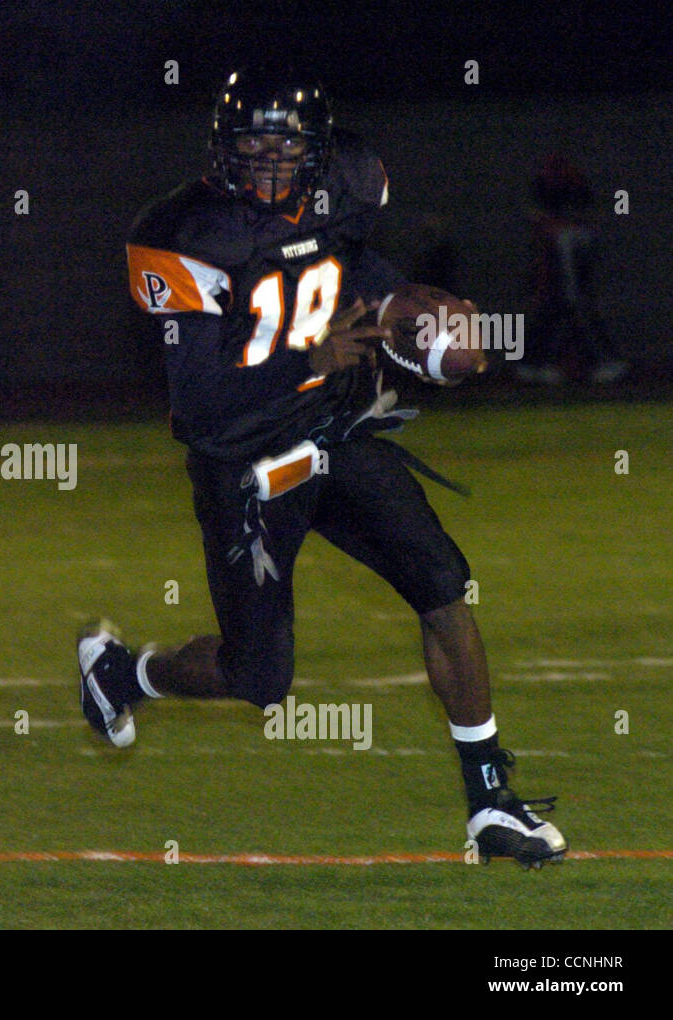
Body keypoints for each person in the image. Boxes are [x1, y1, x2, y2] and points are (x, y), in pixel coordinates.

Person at [80, 68, 567, 867]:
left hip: (331, 430)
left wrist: (406, 306)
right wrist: (308, 356)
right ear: (221, 149)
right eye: (252, 143)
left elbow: (345, 266)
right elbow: (201, 403)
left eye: (287, 143)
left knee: (442, 583)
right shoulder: (185, 234)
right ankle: (126, 674)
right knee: (259, 676)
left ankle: (489, 804)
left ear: (317, 151)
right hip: (245, 459)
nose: (269, 158)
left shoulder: (347, 183)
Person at [514, 154, 626, 386]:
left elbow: (571, 263)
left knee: (577, 316)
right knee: (551, 317)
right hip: (558, 287)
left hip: (568, 286)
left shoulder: (572, 236)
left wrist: (570, 292)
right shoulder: (554, 234)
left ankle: (608, 362)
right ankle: (533, 365)